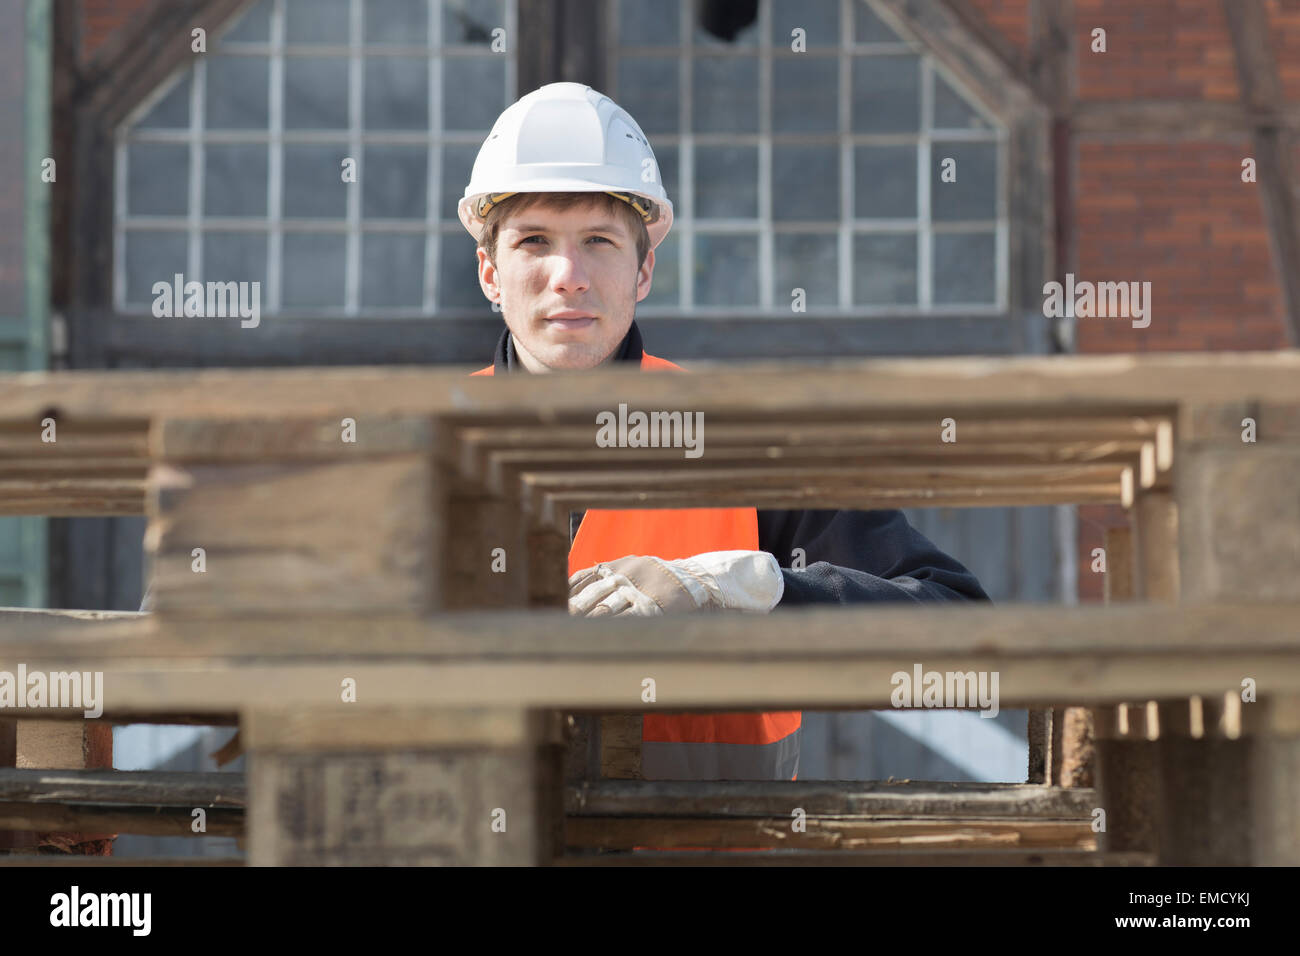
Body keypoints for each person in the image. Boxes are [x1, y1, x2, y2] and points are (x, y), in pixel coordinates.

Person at [459, 82, 991, 782]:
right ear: (491, 272)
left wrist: (750, 589)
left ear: (643, 268)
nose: (569, 277)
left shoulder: (739, 438)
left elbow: (962, 639)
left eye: (599, 241)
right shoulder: (415, 451)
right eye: (534, 242)